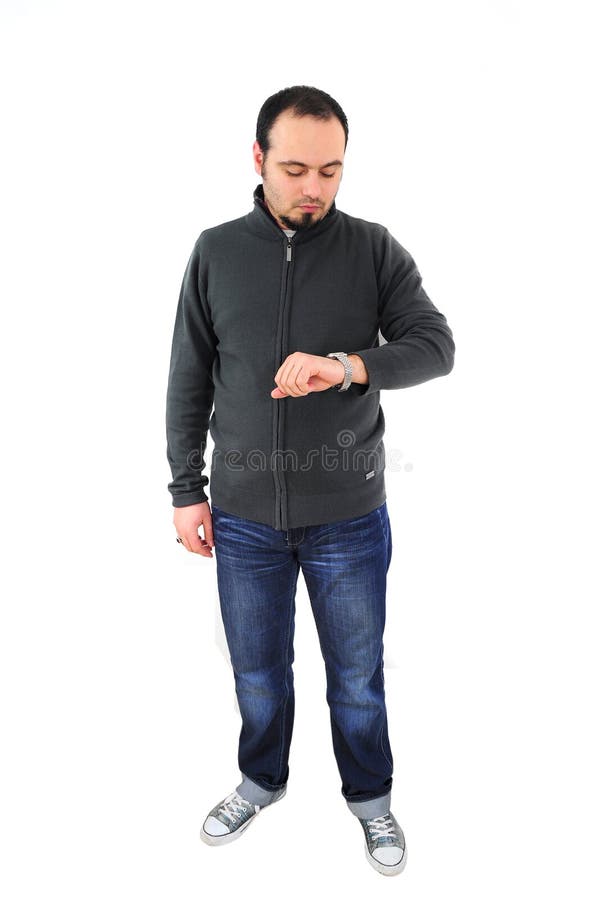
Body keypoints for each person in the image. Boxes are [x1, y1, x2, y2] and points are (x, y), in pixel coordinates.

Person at [165, 85, 455, 877]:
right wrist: (185, 489)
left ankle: (371, 800)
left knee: (357, 675)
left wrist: (350, 365)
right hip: (245, 515)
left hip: (349, 516)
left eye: (331, 170)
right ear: (257, 159)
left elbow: (436, 346)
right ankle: (261, 780)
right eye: (295, 168)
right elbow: (189, 379)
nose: (314, 189)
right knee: (257, 670)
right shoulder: (216, 251)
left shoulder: (372, 248)